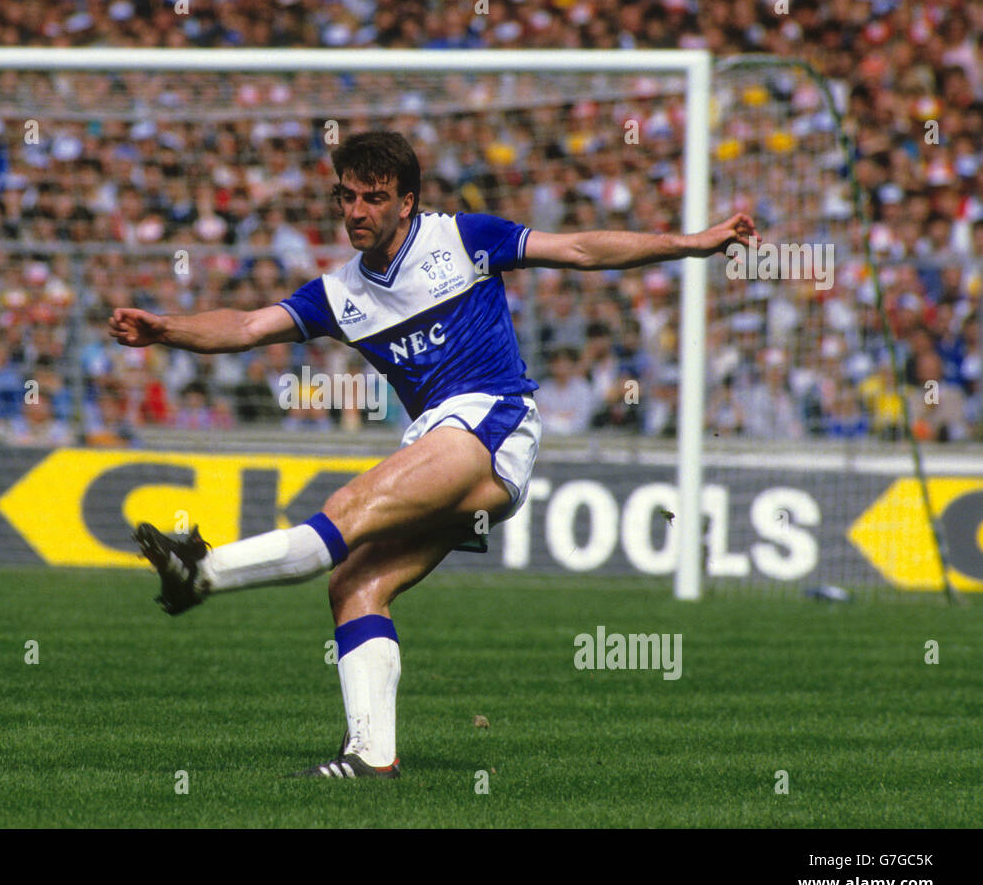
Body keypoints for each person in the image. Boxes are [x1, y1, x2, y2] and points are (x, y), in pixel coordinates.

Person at [108, 131, 756, 779]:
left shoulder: (461, 238)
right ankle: (370, 757)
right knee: (356, 583)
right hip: (450, 451)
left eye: (374, 197)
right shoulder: (339, 295)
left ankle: (203, 572)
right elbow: (248, 326)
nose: (357, 211)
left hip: (491, 419)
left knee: (344, 510)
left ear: (407, 202)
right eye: (347, 197)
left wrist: (692, 243)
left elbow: (581, 248)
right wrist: (168, 331)